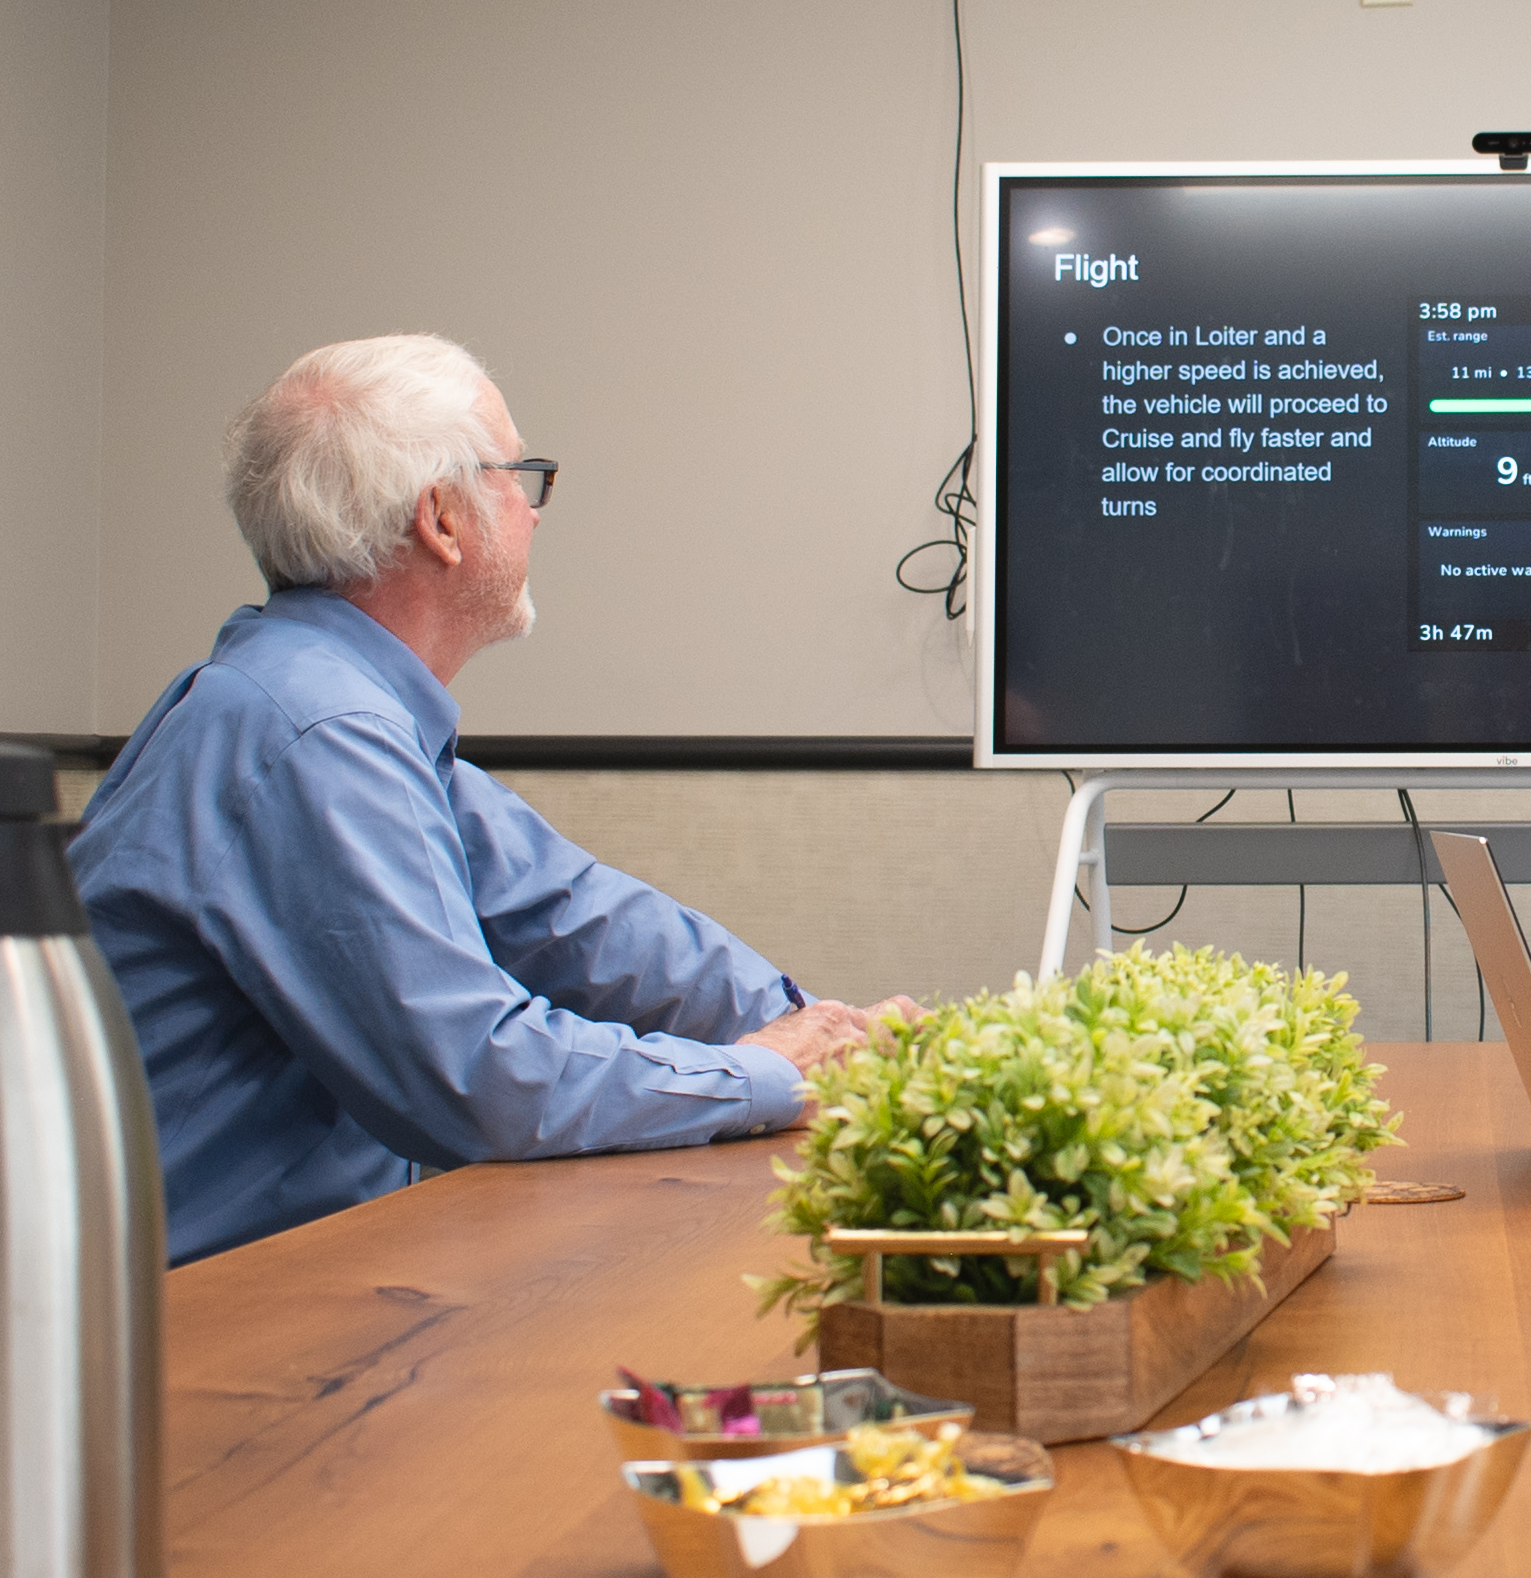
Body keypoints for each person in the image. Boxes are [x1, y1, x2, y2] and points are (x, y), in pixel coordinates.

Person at [71, 335, 916, 1264]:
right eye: (522, 477)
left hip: (283, 1279)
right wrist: (761, 1076)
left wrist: (838, 1033)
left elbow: (575, 918)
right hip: (192, 1323)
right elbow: (478, 1074)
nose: (535, 513)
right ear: (441, 517)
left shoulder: (334, 705)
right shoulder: (312, 730)